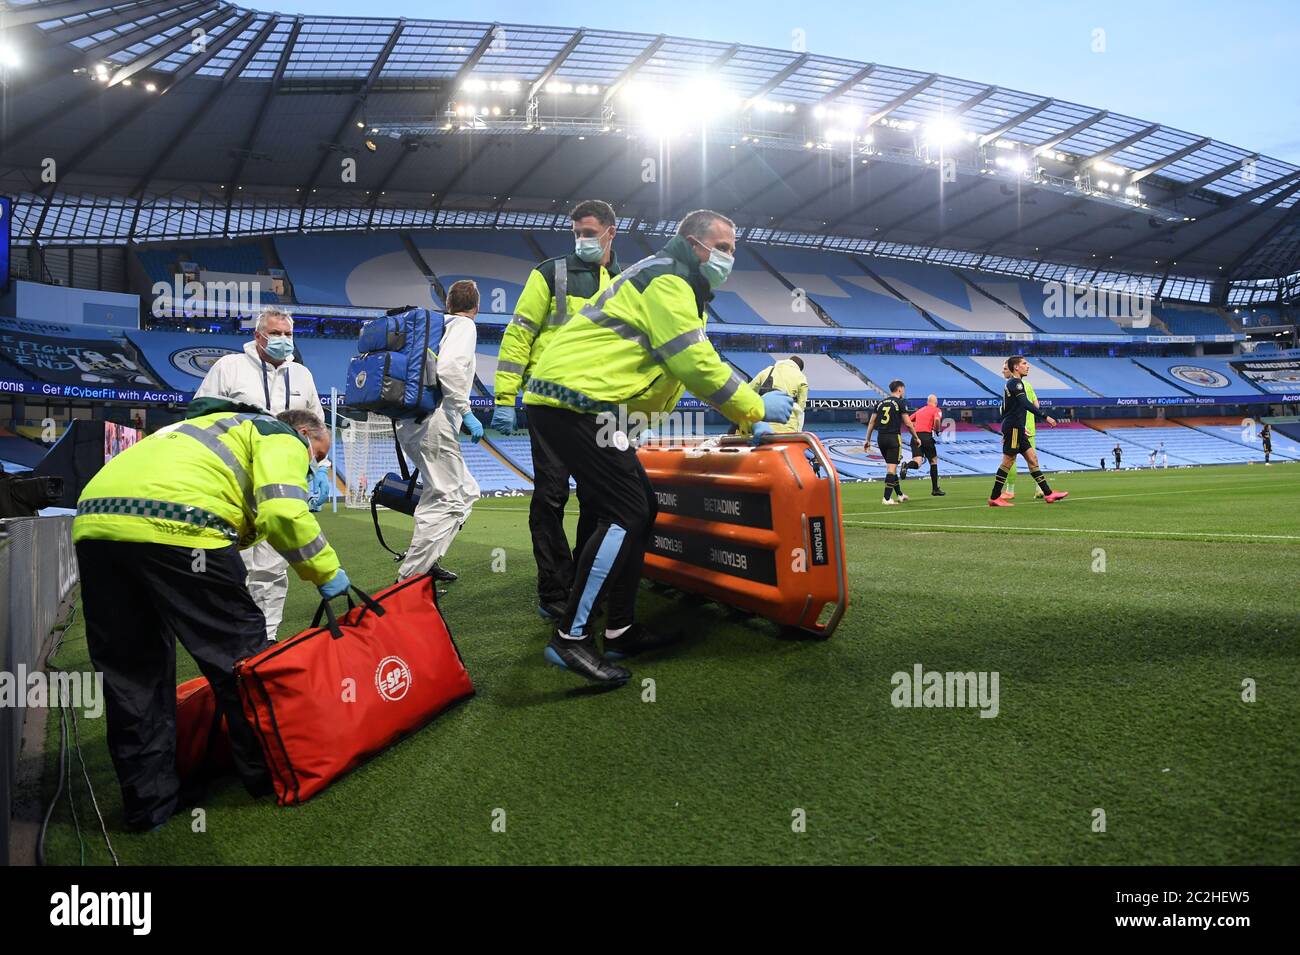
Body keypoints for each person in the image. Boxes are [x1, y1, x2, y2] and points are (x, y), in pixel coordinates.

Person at [522, 209, 794, 686]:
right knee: (626, 511)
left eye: (733, 248)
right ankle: (572, 636)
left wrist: (738, 413)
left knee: (641, 507)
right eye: (723, 246)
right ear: (694, 244)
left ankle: (621, 627)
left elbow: (670, 371)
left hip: (587, 404)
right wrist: (753, 408)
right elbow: (693, 362)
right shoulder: (668, 281)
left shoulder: (676, 284)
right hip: (578, 401)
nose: (730, 256)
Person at [72, 401, 347, 831]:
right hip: (181, 523)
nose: (316, 469)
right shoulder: (278, 434)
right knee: (242, 662)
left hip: (95, 523)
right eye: (319, 458)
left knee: (133, 675)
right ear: (306, 435)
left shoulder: (200, 430)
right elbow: (281, 512)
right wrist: (326, 572)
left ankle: (149, 807)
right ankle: (271, 774)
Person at [490, 200, 622, 621]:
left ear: (610, 232)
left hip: (602, 408)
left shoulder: (625, 282)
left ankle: (584, 582)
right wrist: (504, 397)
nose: (583, 240)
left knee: (599, 500)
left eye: (589, 232)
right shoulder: (550, 272)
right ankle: (554, 588)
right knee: (550, 496)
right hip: (550, 404)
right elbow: (519, 335)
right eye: (577, 233)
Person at [195, 306, 325, 640]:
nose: (283, 340)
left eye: (288, 334)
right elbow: (200, 415)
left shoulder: (303, 375)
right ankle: (231, 634)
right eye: (276, 333)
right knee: (231, 562)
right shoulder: (229, 368)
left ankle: (265, 638)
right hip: (235, 478)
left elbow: (316, 426)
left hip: (279, 478)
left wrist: (318, 469)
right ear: (258, 335)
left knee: (272, 565)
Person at [393, 279, 483, 582]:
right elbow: (449, 369)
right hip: (435, 421)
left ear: (447, 304)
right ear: (476, 306)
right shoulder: (463, 326)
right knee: (448, 499)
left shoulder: (436, 327)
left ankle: (428, 561)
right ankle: (409, 579)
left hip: (413, 422)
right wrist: (467, 412)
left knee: (464, 492)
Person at [988, 356, 1068, 506]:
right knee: (1008, 461)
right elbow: (1025, 403)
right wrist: (1045, 416)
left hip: (1017, 427)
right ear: (1016, 367)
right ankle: (994, 497)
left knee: (1032, 459)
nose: (1028, 366)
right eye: (1024, 363)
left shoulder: (1014, 384)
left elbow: (1006, 409)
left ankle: (1049, 494)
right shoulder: (1015, 383)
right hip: (1013, 428)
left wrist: (1017, 426)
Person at [864, 380, 920, 505]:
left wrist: (867, 439)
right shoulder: (900, 403)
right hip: (893, 437)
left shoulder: (880, 403)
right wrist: (916, 437)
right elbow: (908, 423)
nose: (903, 392)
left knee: (891, 466)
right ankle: (886, 498)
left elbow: (872, 422)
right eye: (903, 389)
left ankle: (900, 494)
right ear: (899, 389)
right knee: (891, 468)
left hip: (881, 438)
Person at [739, 356, 808, 435]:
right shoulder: (801, 377)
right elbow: (801, 406)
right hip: (788, 425)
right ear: (799, 368)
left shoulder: (768, 371)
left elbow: (748, 391)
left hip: (764, 424)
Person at [900, 393, 945, 496]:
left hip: (915, 437)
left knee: (918, 463)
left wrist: (917, 425)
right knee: (933, 461)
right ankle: (935, 489)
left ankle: (906, 466)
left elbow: (908, 420)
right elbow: (937, 420)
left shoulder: (920, 410)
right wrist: (937, 430)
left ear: (927, 402)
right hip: (926, 437)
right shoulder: (936, 410)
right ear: (935, 402)